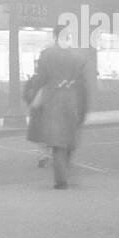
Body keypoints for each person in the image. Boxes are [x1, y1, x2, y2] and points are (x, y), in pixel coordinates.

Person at [24, 35, 89, 189]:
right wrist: (83, 111)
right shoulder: (76, 58)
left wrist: (34, 97)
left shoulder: (48, 58)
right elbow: (82, 85)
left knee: (58, 143)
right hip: (72, 102)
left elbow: (41, 80)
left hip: (55, 102)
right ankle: (65, 171)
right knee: (68, 141)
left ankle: (61, 180)